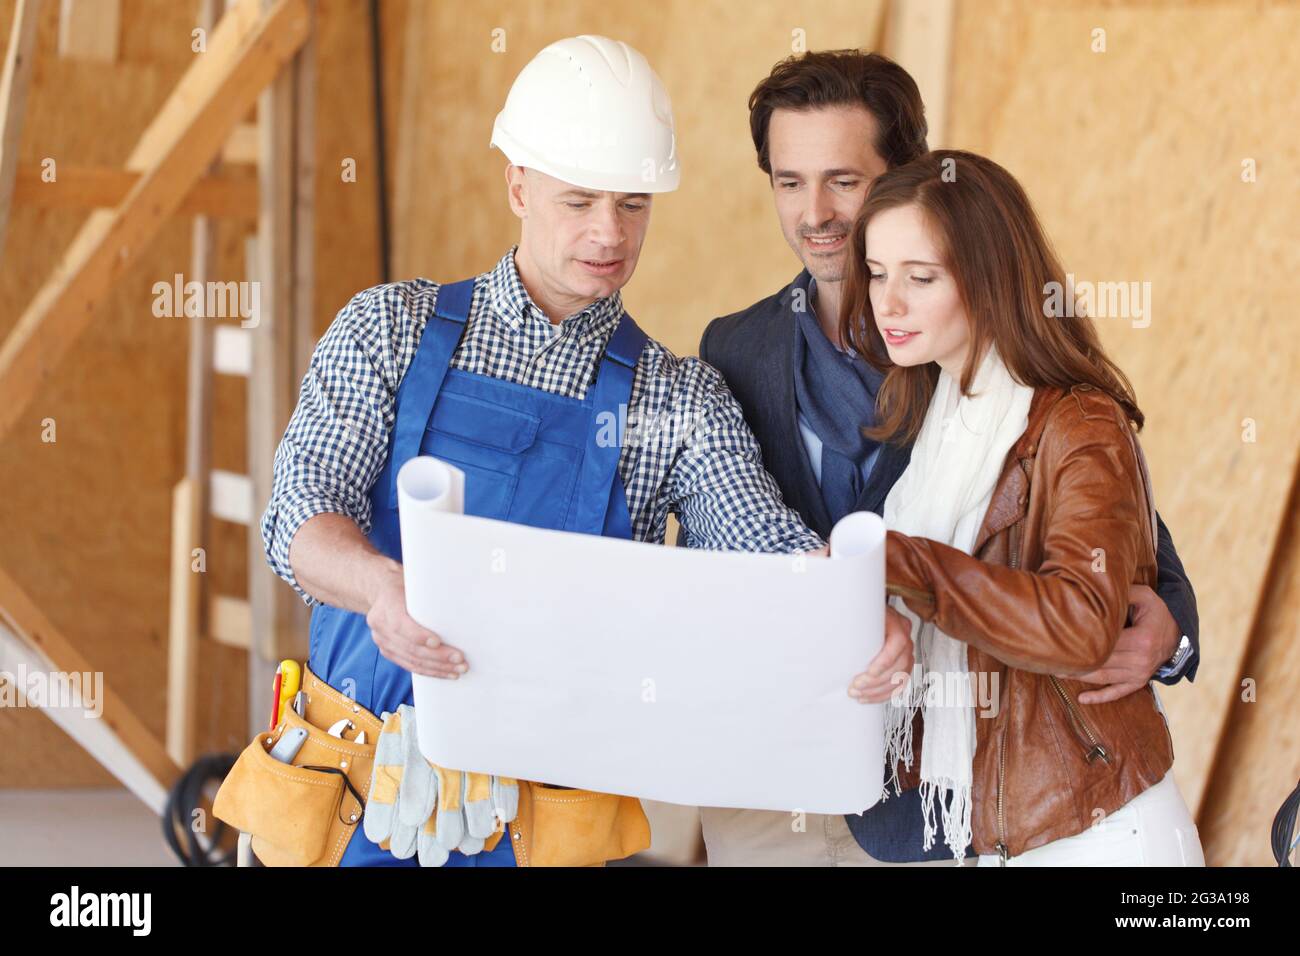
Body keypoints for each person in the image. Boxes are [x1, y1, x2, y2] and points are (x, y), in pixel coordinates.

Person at [259, 35, 854, 867]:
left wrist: (852, 603)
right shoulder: (387, 329)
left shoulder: (676, 400)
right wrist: (382, 589)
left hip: (543, 819)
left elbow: (763, 544)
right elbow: (297, 514)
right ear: (519, 184)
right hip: (354, 790)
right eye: (579, 201)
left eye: (633, 204)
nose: (609, 233)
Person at [694, 49, 1198, 866]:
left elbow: (1111, 521)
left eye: (843, 181)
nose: (814, 213)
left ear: (905, 174)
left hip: (949, 795)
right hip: (776, 762)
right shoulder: (735, 347)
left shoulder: (972, 349)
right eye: (789, 182)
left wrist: (1169, 620)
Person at [843, 148, 1205, 866]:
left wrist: (901, 563)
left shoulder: (1083, 424)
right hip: (993, 829)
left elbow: (1079, 623)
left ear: (988, 279)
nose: (889, 303)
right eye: (879, 273)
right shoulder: (933, 409)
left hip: (1099, 832)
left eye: (921, 278)